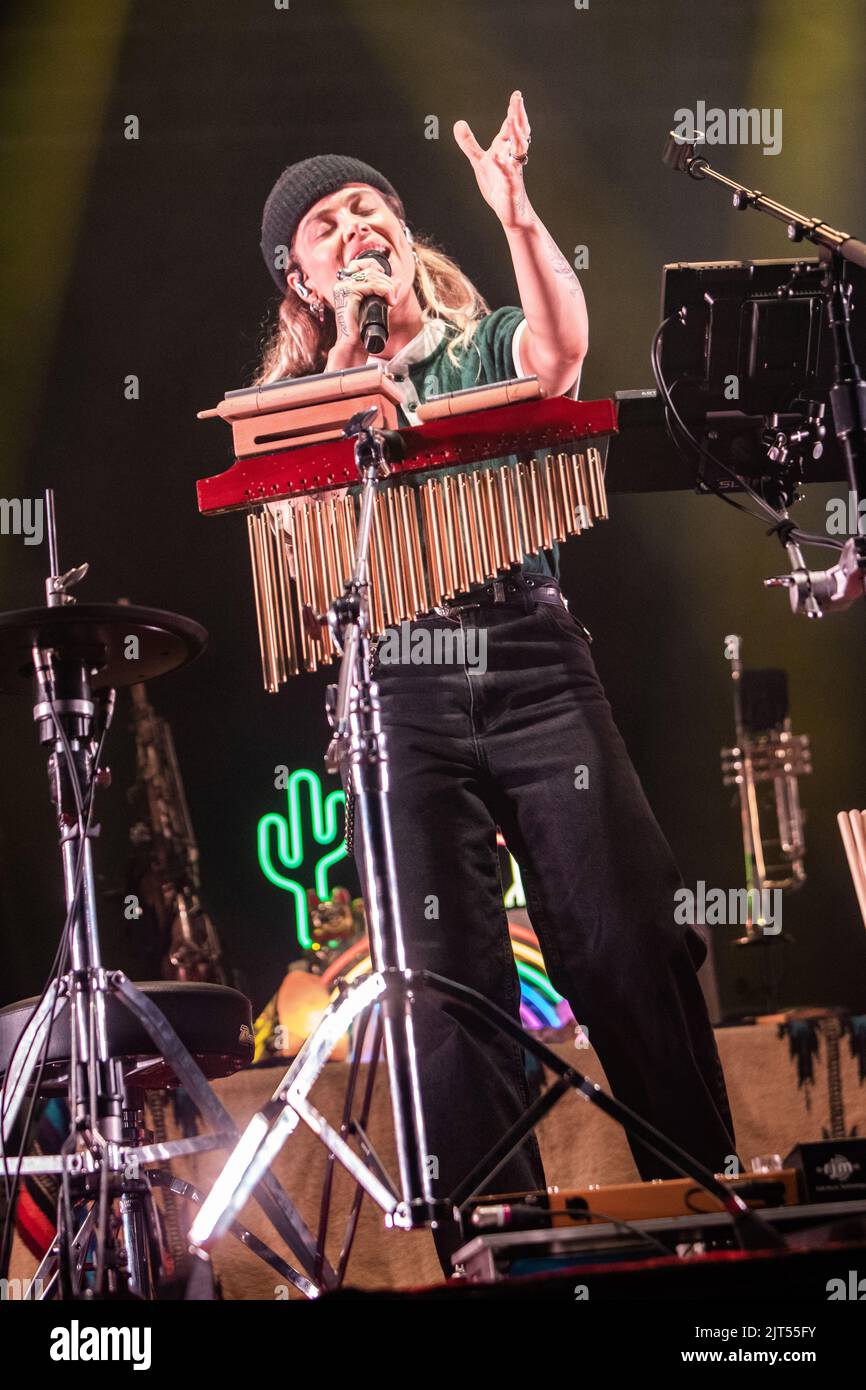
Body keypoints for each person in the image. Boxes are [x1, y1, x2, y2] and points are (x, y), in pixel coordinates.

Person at [256, 92, 738, 1275]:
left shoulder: (472, 347)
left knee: (625, 928)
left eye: (367, 204)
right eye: (325, 223)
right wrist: (347, 376)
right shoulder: (288, 407)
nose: (354, 222)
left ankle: (710, 1204)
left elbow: (559, 353)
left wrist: (518, 217)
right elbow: (303, 565)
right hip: (395, 684)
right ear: (300, 278)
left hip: (524, 654)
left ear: (405, 233)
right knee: (445, 977)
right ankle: (495, 1242)